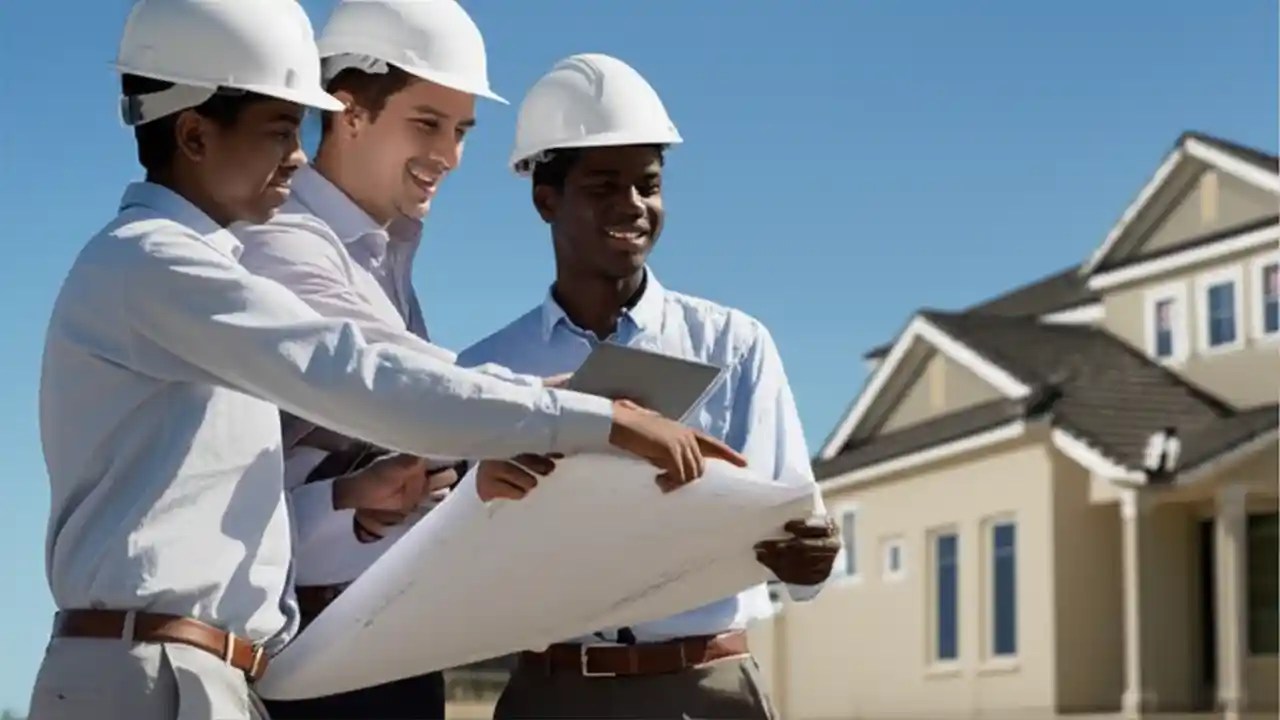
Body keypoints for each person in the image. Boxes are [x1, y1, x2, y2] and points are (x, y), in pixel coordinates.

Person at [29, 2, 746, 717]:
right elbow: (358, 372)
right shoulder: (157, 264)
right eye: (284, 129)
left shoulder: (193, 273)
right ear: (193, 134)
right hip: (151, 675)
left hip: (195, 670)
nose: (302, 153)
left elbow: (232, 488)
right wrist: (597, 419)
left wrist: (353, 498)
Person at [456, 53, 841, 720]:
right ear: (546, 198)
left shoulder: (735, 346)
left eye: (648, 184)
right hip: (552, 693)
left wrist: (811, 557)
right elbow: (454, 549)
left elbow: (791, 521)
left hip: (705, 687)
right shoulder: (488, 370)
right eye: (604, 186)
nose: (633, 205)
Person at [233, 1, 545, 716]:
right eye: (428, 124)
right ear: (348, 111)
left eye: (462, 130)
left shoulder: (385, 255)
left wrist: (361, 502)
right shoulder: (282, 243)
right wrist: (569, 411)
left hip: (382, 643)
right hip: (301, 659)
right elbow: (411, 388)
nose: (451, 156)